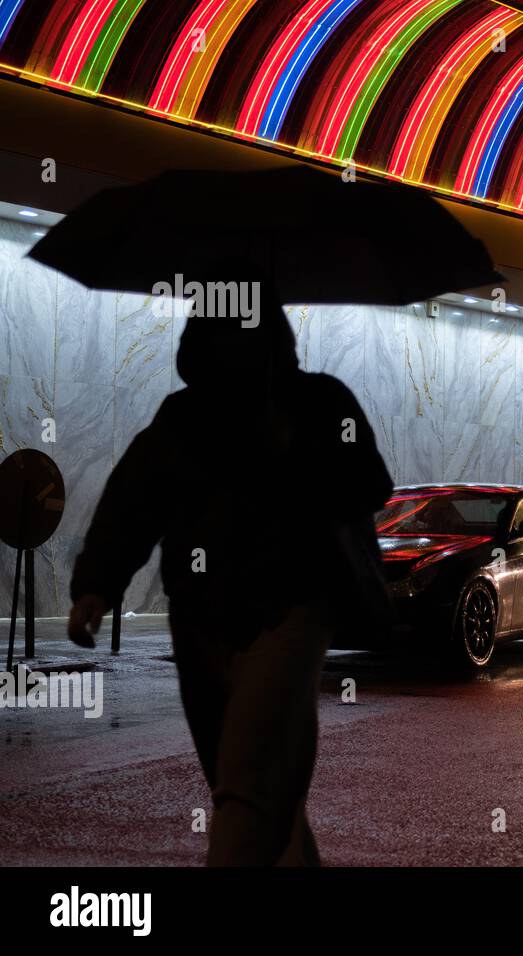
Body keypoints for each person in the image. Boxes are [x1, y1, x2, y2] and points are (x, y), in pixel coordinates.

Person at [66, 273, 393, 865]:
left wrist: (295, 449)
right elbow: (134, 501)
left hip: (291, 609)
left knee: (249, 780)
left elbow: (370, 483)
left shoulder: (318, 404)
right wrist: (96, 584)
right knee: (252, 781)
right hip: (202, 620)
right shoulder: (185, 417)